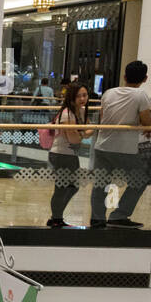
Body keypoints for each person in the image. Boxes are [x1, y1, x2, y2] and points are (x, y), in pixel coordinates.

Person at [90, 60, 151, 227]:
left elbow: (103, 118)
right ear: (145, 79)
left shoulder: (109, 93)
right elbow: (147, 121)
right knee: (140, 180)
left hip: (102, 145)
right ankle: (119, 215)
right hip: (124, 148)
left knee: (100, 183)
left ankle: (97, 218)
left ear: (124, 76)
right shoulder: (141, 95)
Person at [47, 82, 94, 228]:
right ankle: (56, 219)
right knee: (63, 187)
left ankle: (56, 217)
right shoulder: (67, 114)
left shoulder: (80, 111)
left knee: (72, 186)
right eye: (78, 96)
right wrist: (83, 133)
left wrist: (82, 133)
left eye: (84, 95)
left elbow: (88, 129)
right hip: (61, 155)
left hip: (70, 154)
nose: (82, 98)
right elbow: (75, 138)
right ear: (71, 98)